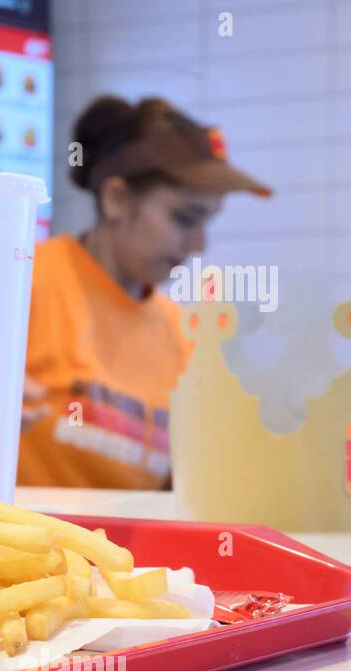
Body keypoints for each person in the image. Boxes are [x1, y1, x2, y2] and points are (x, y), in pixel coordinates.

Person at [18, 96, 271, 490]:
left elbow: (191, 487)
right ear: (116, 199)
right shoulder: (24, 285)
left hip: (128, 553)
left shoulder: (182, 334)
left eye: (207, 222)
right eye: (184, 218)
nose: (199, 244)